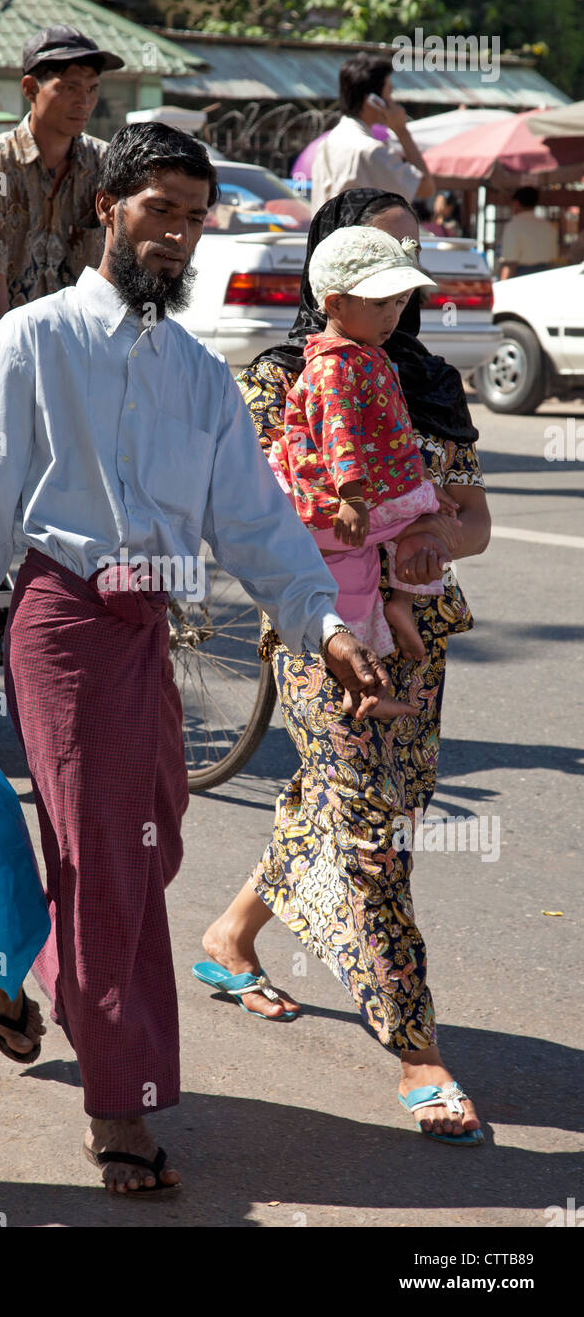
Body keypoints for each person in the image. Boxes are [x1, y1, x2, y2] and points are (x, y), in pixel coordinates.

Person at [0, 124, 392, 1195]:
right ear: (106, 211)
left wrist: (322, 621)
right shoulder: (33, 340)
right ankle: (118, 1105)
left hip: (149, 636)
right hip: (61, 629)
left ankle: (1, 950)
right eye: (156, 209)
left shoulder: (198, 376)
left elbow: (256, 519)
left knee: (147, 842)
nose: (174, 234)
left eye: (191, 216)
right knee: (110, 867)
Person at [194, 187, 492, 1145]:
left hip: (419, 631)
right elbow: (246, 515)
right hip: (324, 632)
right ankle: (416, 1051)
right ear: (333, 277)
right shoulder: (283, 378)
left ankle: (229, 937)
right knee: (370, 835)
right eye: (385, 263)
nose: (407, 287)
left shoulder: (432, 383)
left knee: (361, 804)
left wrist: (434, 538)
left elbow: (472, 517)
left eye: (412, 264)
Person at [270, 224, 458, 673]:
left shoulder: (363, 353)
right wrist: (353, 498)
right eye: (380, 304)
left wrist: (425, 489)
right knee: (356, 583)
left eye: (399, 303)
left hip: (365, 502)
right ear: (335, 303)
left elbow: (388, 437)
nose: (393, 316)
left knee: (394, 554)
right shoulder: (333, 366)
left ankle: (397, 611)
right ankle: (363, 662)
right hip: (344, 507)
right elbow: (341, 438)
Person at [0, 25, 124, 366]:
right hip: (11, 350)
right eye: (69, 88)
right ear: (31, 88)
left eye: (92, 89)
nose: (84, 101)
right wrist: (5, 370)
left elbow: (121, 271)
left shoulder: (106, 167)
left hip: (85, 357)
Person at [311, 53, 434, 214]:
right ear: (374, 101)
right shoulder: (371, 151)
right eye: (389, 91)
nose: (392, 100)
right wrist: (401, 131)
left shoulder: (327, 143)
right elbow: (426, 187)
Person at [498, 186, 559, 279]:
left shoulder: (514, 226)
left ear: (516, 203)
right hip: (547, 276)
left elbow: (510, 264)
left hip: (522, 277)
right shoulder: (548, 226)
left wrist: (501, 286)